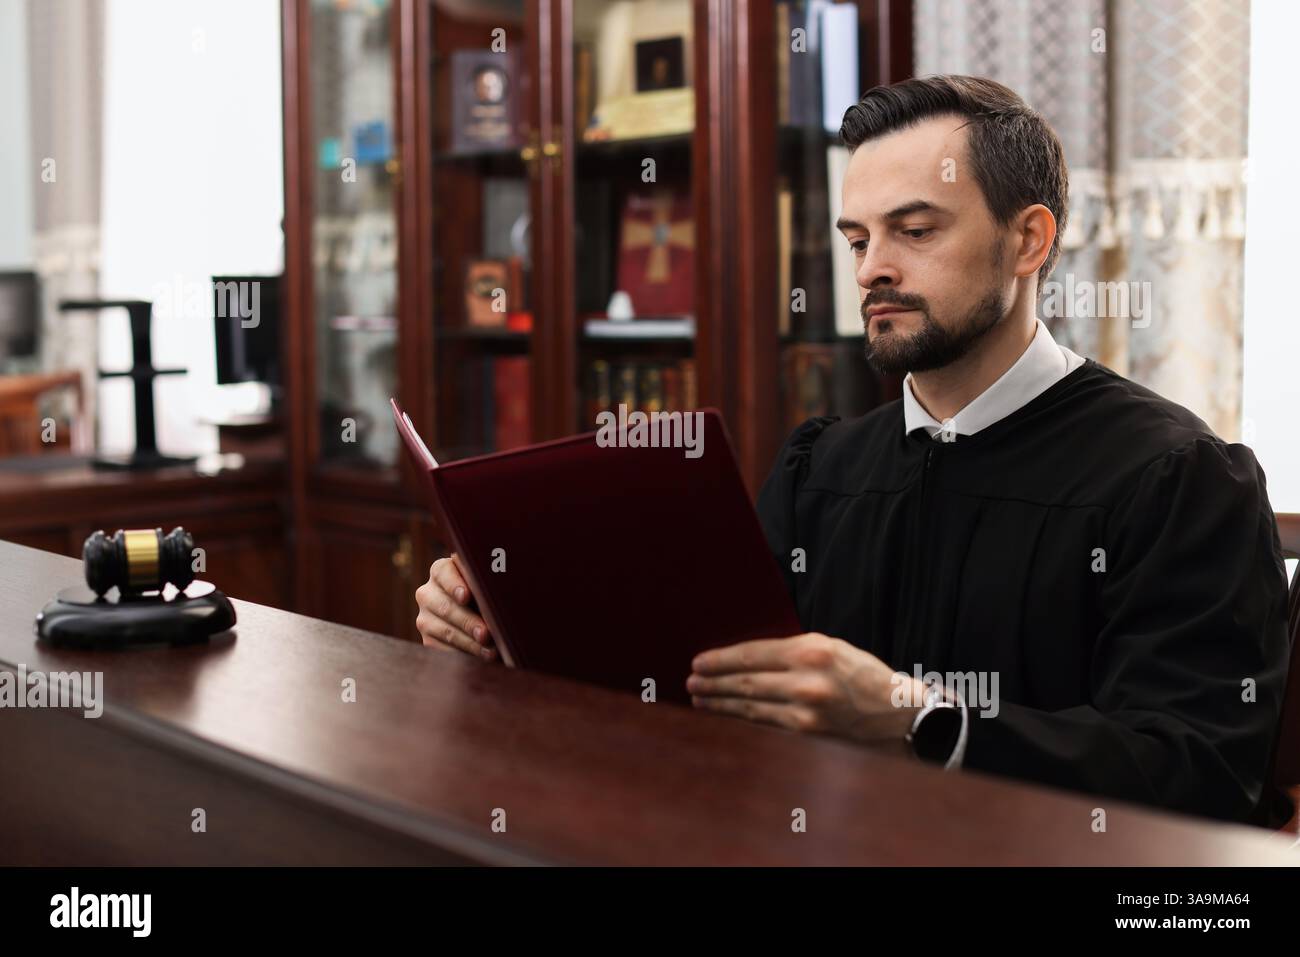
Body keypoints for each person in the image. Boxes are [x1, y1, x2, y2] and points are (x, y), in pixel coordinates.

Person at [415, 75, 1291, 826]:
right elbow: (699, 686)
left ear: (1029, 240)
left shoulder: (1176, 477)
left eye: (916, 231)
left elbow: (1201, 778)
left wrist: (923, 720)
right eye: (858, 238)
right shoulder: (820, 469)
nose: (871, 268)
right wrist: (504, 625)